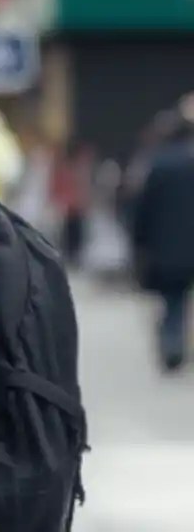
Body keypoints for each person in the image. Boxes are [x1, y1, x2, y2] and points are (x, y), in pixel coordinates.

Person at [130, 95, 194, 372]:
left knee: (171, 298)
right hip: (190, 245)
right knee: (181, 299)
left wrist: (139, 240)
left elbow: (142, 207)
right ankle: (176, 343)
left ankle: (171, 343)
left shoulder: (157, 165)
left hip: (163, 247)